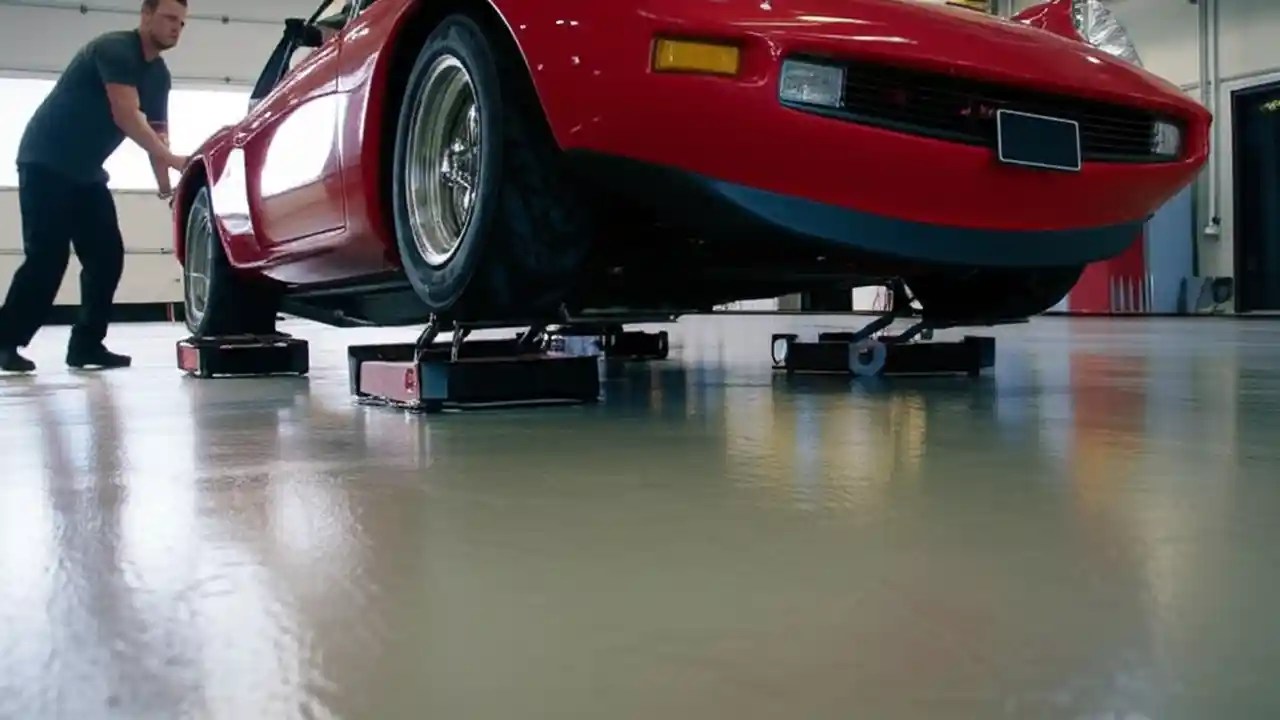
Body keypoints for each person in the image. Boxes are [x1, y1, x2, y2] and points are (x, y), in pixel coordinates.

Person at [0, 0, 190, 373]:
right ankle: (5, 342)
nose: (176, 28)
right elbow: (127, 115)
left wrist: (168, 186)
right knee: (47, 257)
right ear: (146, 14)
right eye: (169, 18)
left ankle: (86, 345)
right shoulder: (114, 48)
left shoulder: (159, 75)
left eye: (182, 23)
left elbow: (157, 134)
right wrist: (173, 160)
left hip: (86, 172)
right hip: (45, 161)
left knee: (107, 258)